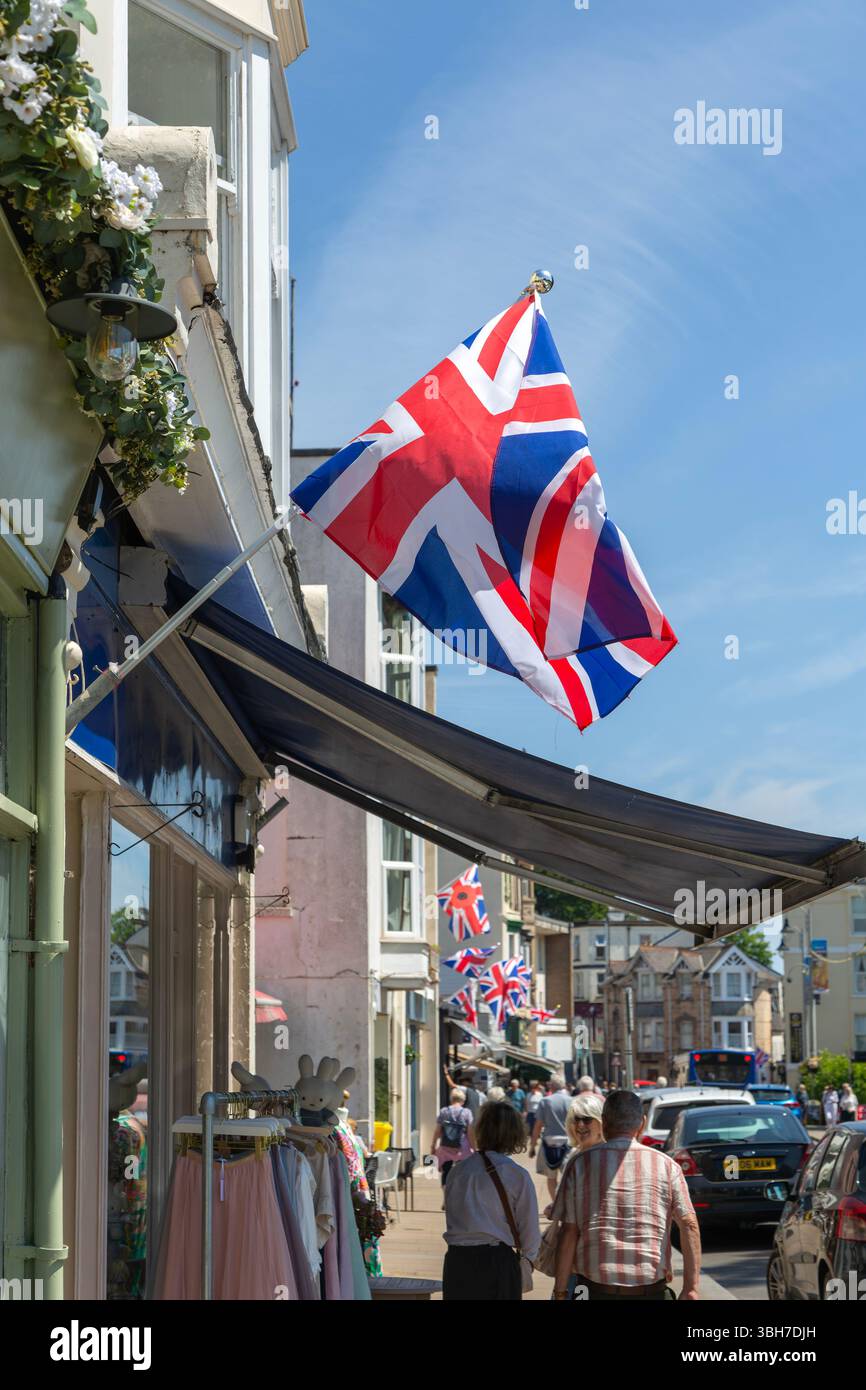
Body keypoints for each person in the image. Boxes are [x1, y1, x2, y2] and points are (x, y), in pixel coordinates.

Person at [553, 1089, 701, 1302]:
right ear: (641, 1123)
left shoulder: (580, 1165)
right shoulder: (667, 1166)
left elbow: (569, 1232)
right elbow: (689, 1224)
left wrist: (560, 1292)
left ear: (603, 1122)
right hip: (652, 1293)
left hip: (593, 1293)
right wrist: (691, 1287)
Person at [443, 1101, 540, 1301]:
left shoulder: (457, 1172)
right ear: (515, 1134)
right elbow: (530, 1230)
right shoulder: (516, 1174)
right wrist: (527, 1263)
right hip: (496, 1262)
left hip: (457, 1261)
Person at [529, 1072, 573, 1202]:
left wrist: (532, 1146)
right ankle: (566, 1205)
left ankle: (556, 1204)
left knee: (551, 1178)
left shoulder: (545, 1101)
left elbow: (538, 1126)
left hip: (549, 1143)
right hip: (568, 1143)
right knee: (568, 1178)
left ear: (551, 1086)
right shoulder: (571, 1101)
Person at [432, 1087, 476, 1193]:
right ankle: (459, 1194)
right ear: (463, 1100)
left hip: (446, 1146)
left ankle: (446, 1196)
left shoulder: (444, 1111)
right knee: (463, 1171)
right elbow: (470, 1132)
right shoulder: (467, 1113)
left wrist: (433, 1145)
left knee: (446, 1171)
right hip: (462, 1148)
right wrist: (474, 1148)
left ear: (451, 1099)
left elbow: (438, 1131)